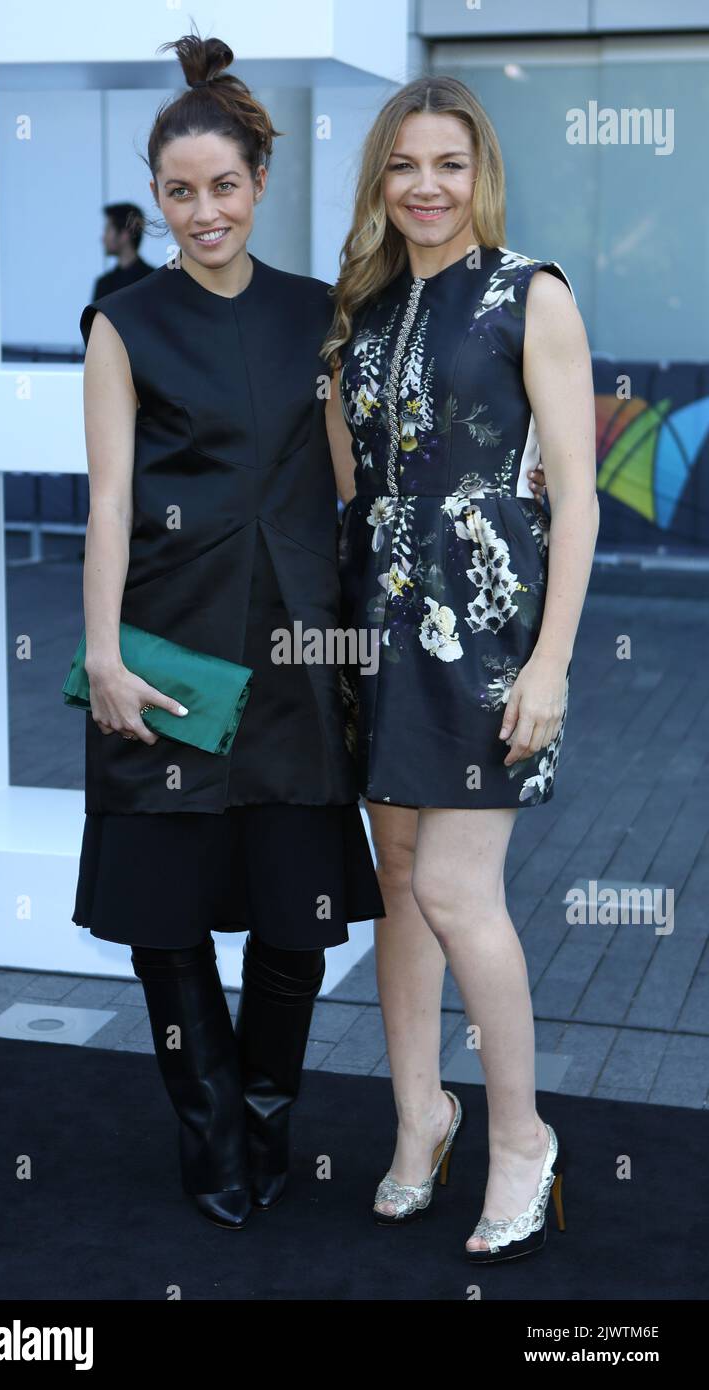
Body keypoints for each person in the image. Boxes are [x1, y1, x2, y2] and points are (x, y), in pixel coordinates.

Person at [71, 30, 386, 1230]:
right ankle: (208, 1127)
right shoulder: (125, 321)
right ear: (157, 200)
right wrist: (101, 652)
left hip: (300, 654)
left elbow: (351, 485)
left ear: (259, 183)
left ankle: (264, 1112)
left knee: (297, 917)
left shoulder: (319, 315)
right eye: (178, 193)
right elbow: (105, 499)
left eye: (223, 187)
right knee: (164, 920)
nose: (203, 212)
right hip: (167, 646)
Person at [323, 75, 598, 1262]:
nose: (424, 187)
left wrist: (550, 662)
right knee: (396, 881)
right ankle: (417, 1115)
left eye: (445, 164)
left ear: (477, 171)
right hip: (376, 634)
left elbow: (579, 501)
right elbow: (353, 488)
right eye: (401, 166)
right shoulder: (366, 310)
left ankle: (519, 1138)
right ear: (377, 181)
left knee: (453, 888)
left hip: (487, 641)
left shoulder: (529, 294)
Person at [92, 203, 155, 298]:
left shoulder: (154, 281)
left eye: (108, 230)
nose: (103, 238)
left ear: (124, 234)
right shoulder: (104, 284)